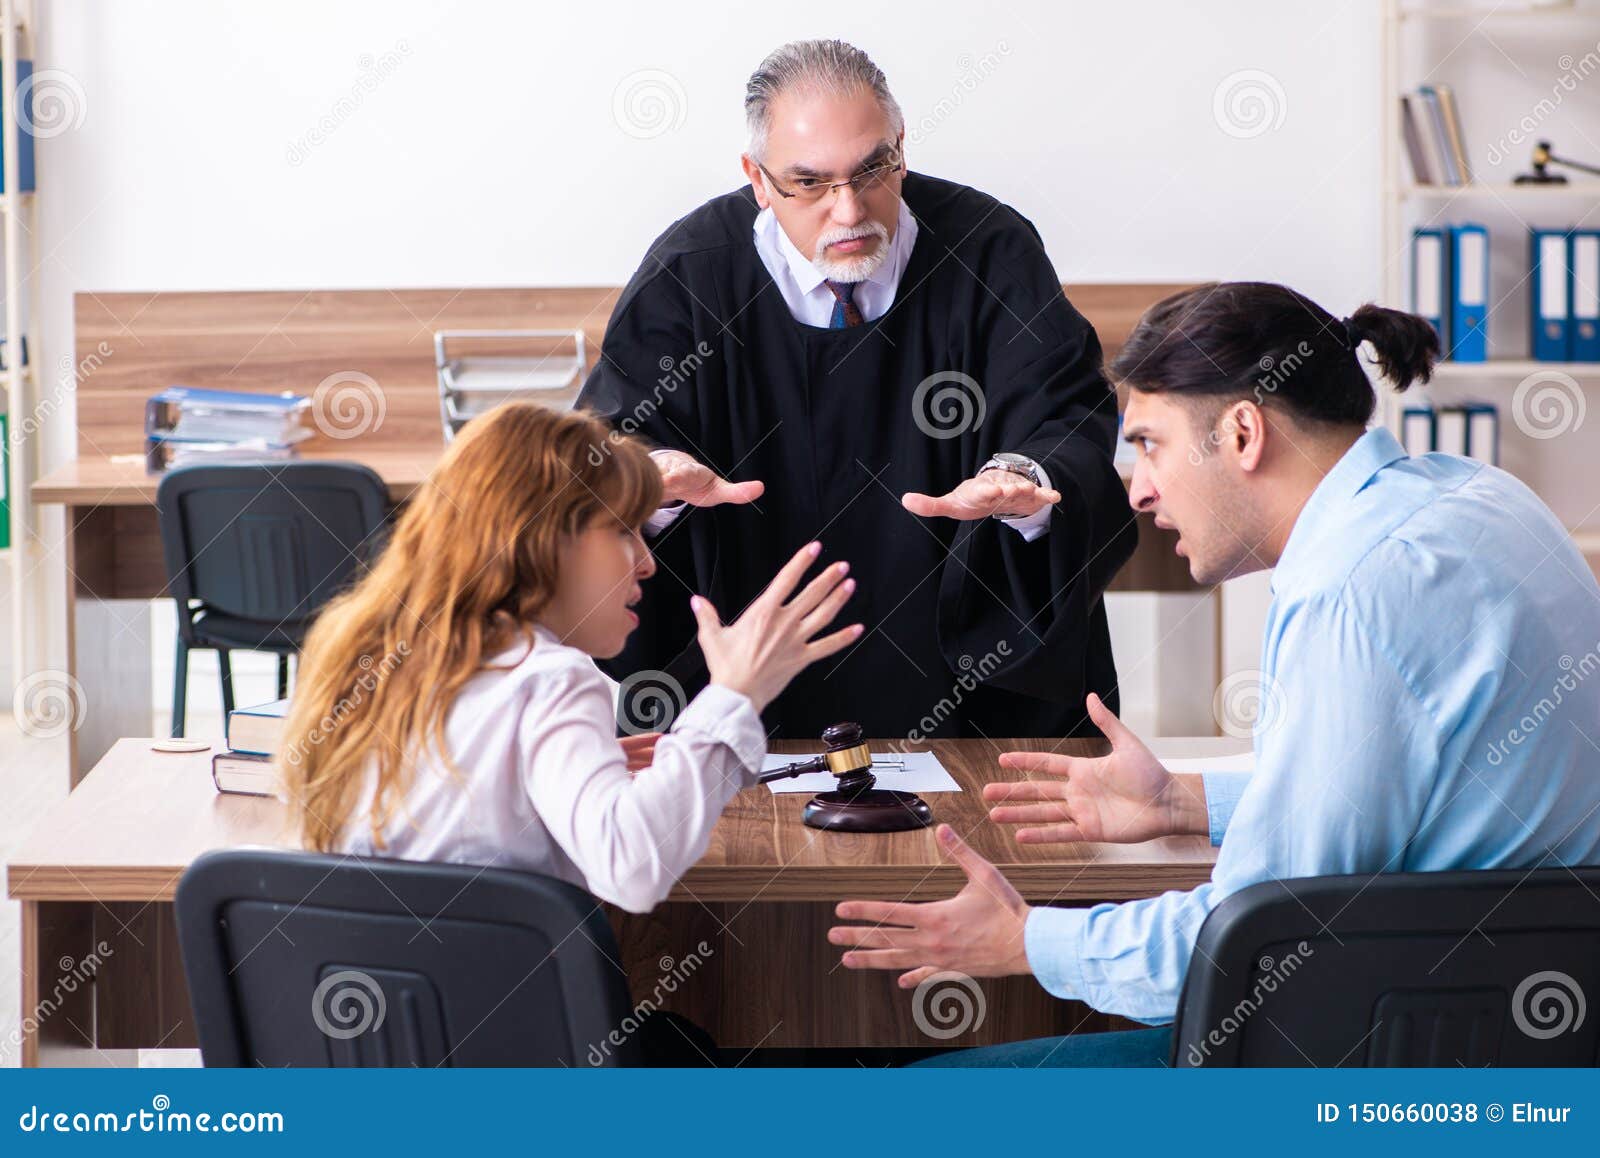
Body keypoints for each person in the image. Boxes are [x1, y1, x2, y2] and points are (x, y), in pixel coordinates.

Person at [827, 282, 1600, 1065]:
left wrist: (1029, 940)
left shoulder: (1354, 586)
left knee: (902, 1102)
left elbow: (1265, 939)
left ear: (1241, 432)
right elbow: (1402, 791)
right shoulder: (1474, 495)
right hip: (1525, 1019)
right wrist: (1182, 801)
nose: (1137, 489)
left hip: (1395, 1058)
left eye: (1151, 444)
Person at [577, 39, 1135, 740]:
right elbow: (606, 444)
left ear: (900, 145)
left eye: (873, 169)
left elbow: (1064, 411)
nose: (849, 211)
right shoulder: (692, 273)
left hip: (973, 706)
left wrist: (1025, 478)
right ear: (757, 177)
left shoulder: (989, 248)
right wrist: (647, 481)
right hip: (747, 703)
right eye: (809, 183)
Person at [277, 402, 860, 917]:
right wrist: (735, 694)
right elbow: (631, 870)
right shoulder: (550, 677)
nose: (646, 563)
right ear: (546, 539)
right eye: (624, 533)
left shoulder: (363, 653)